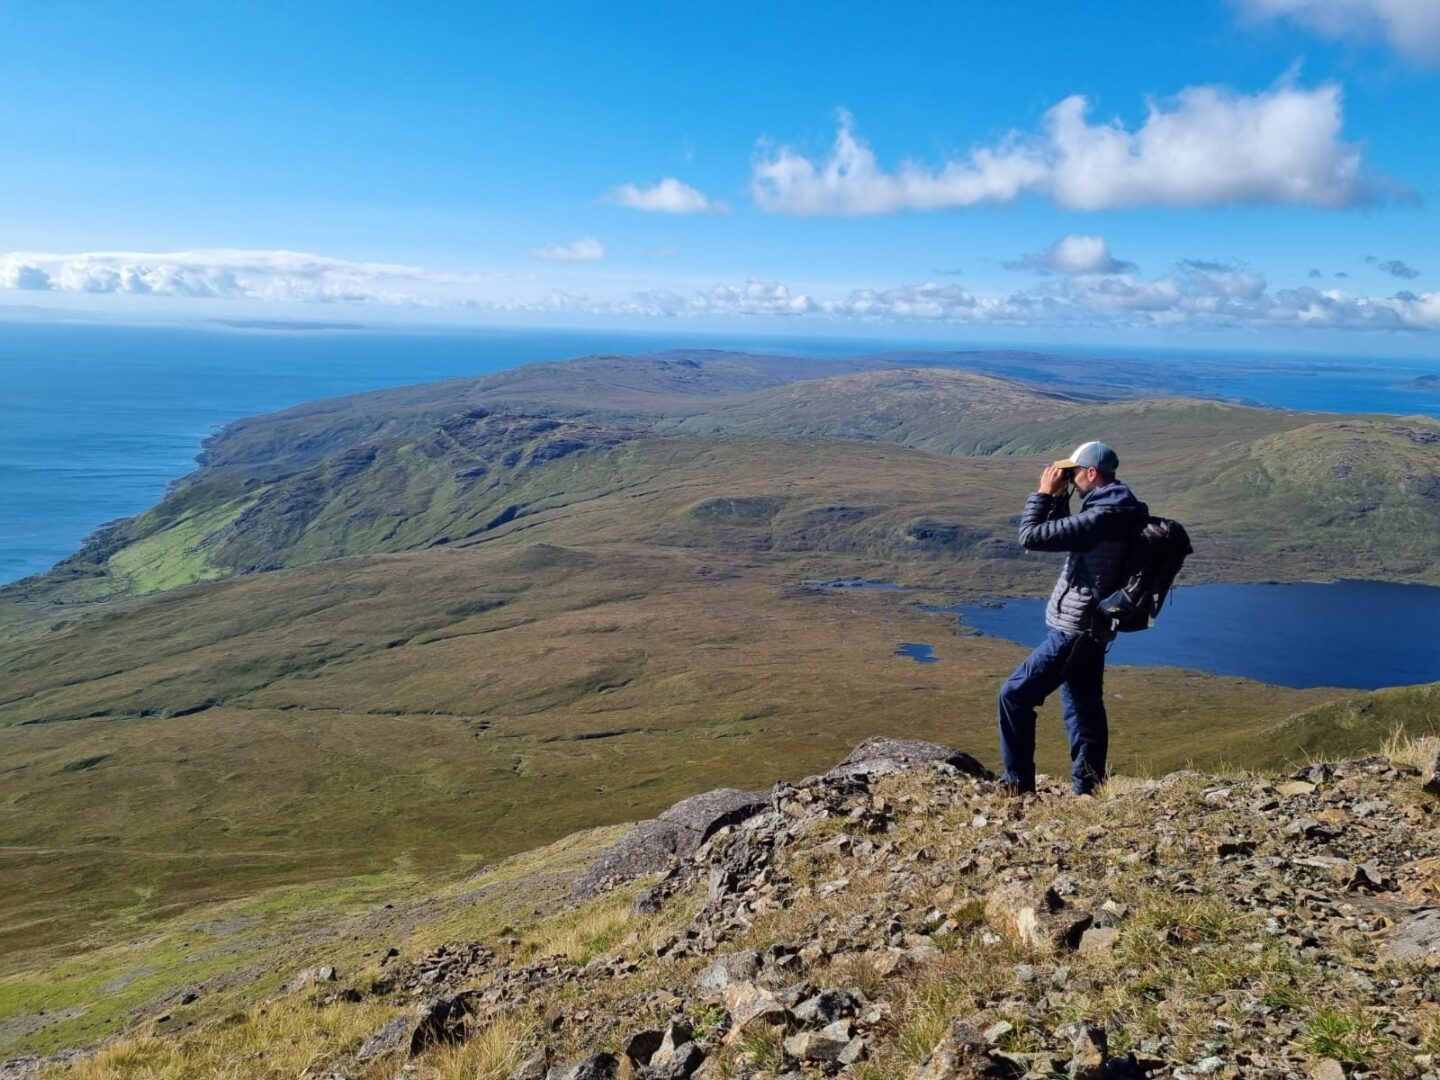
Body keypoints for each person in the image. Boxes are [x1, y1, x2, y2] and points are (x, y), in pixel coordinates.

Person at [996, 440, 1148, 797]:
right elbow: (1063, 532)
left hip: (1075, 630)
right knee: (1083, 708)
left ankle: (1017, 785)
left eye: (1074, 472)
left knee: (1014, 696)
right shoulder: (1116, 508)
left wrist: (1043, 493)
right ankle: (1089, 789)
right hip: (1095, 628)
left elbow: (1031, 537)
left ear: (1091, 473)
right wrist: (1061, 497)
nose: (1069, 477)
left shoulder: (1101, 517)